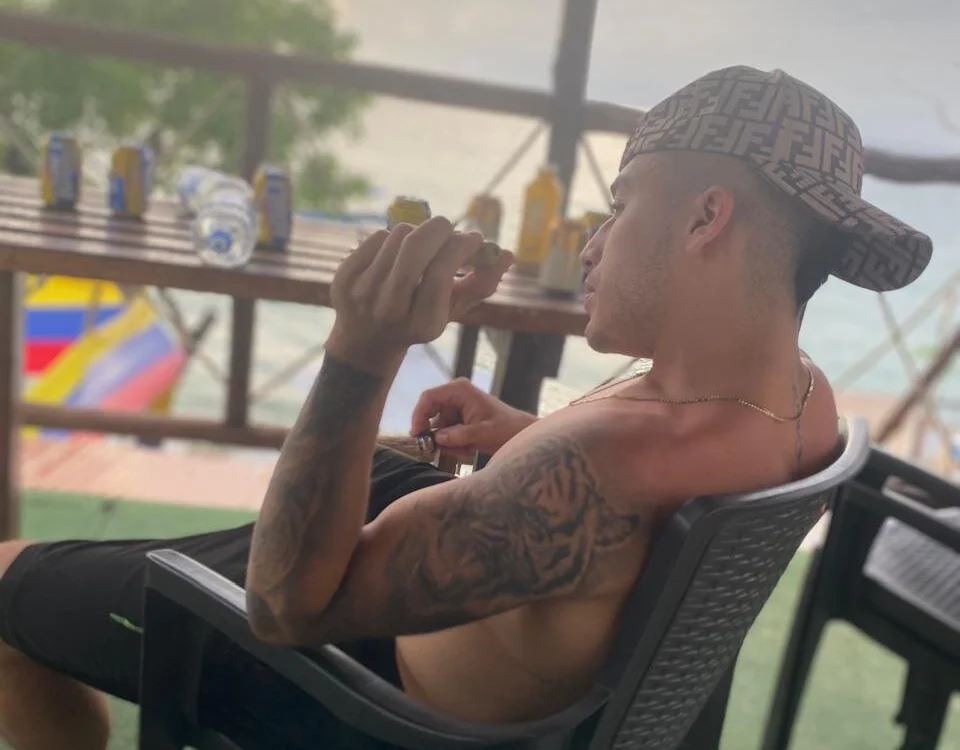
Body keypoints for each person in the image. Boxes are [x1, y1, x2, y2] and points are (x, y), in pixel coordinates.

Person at [0, 66, 932, 749]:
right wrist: (525, 434)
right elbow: (636, 497)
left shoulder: (606, 465)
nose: (594, 244)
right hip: (440, 604)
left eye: (621, 206)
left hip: (361, 692)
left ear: (704, 218)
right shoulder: (800, 399)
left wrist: (362, 354)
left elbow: (283, 605)